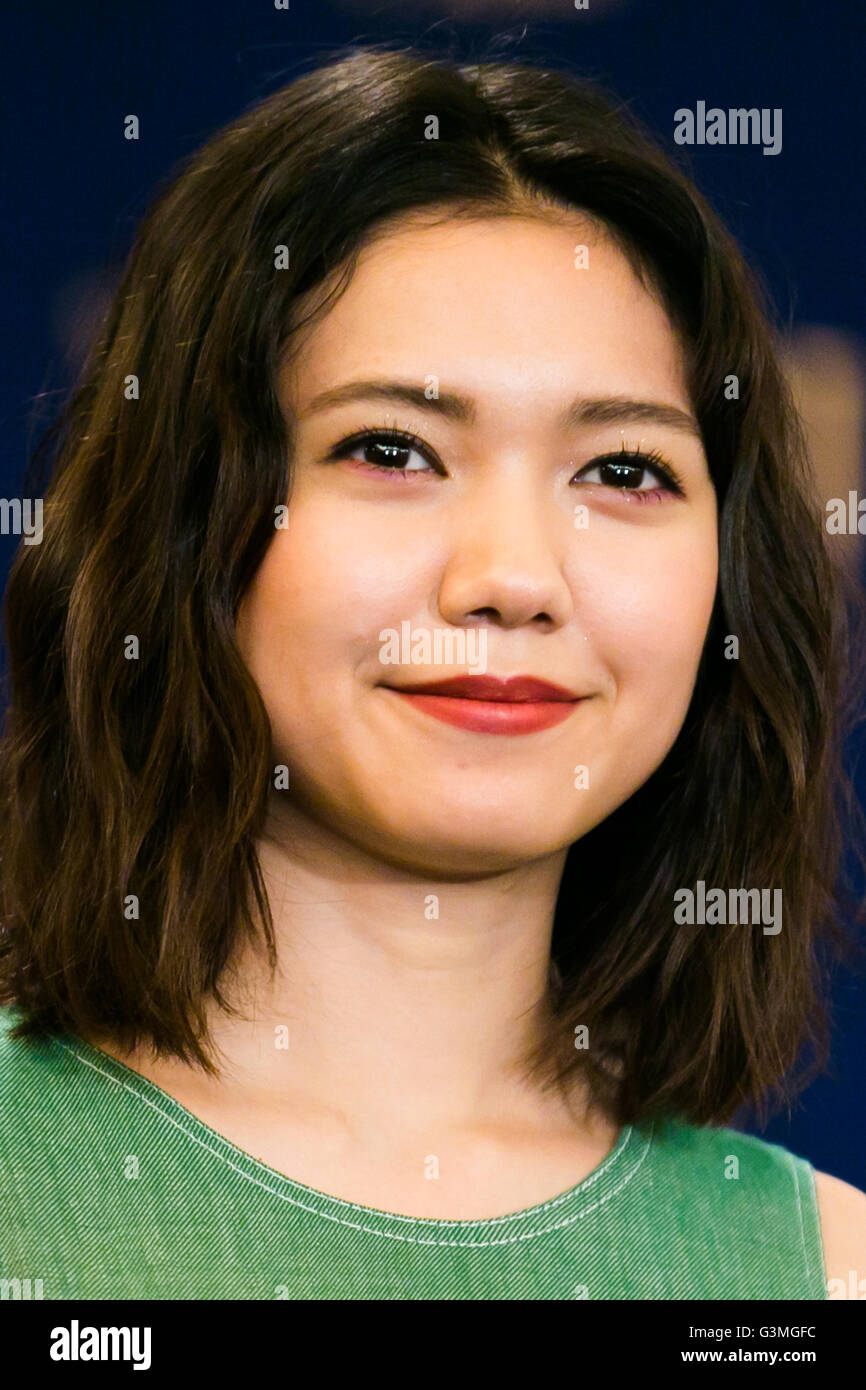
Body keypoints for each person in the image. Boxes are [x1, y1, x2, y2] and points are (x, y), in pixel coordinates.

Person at [1, 44, 864, 1301]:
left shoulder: (817, 1269)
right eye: (392, 449)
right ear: (190, 524)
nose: (513, 577)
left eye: (623, 470)